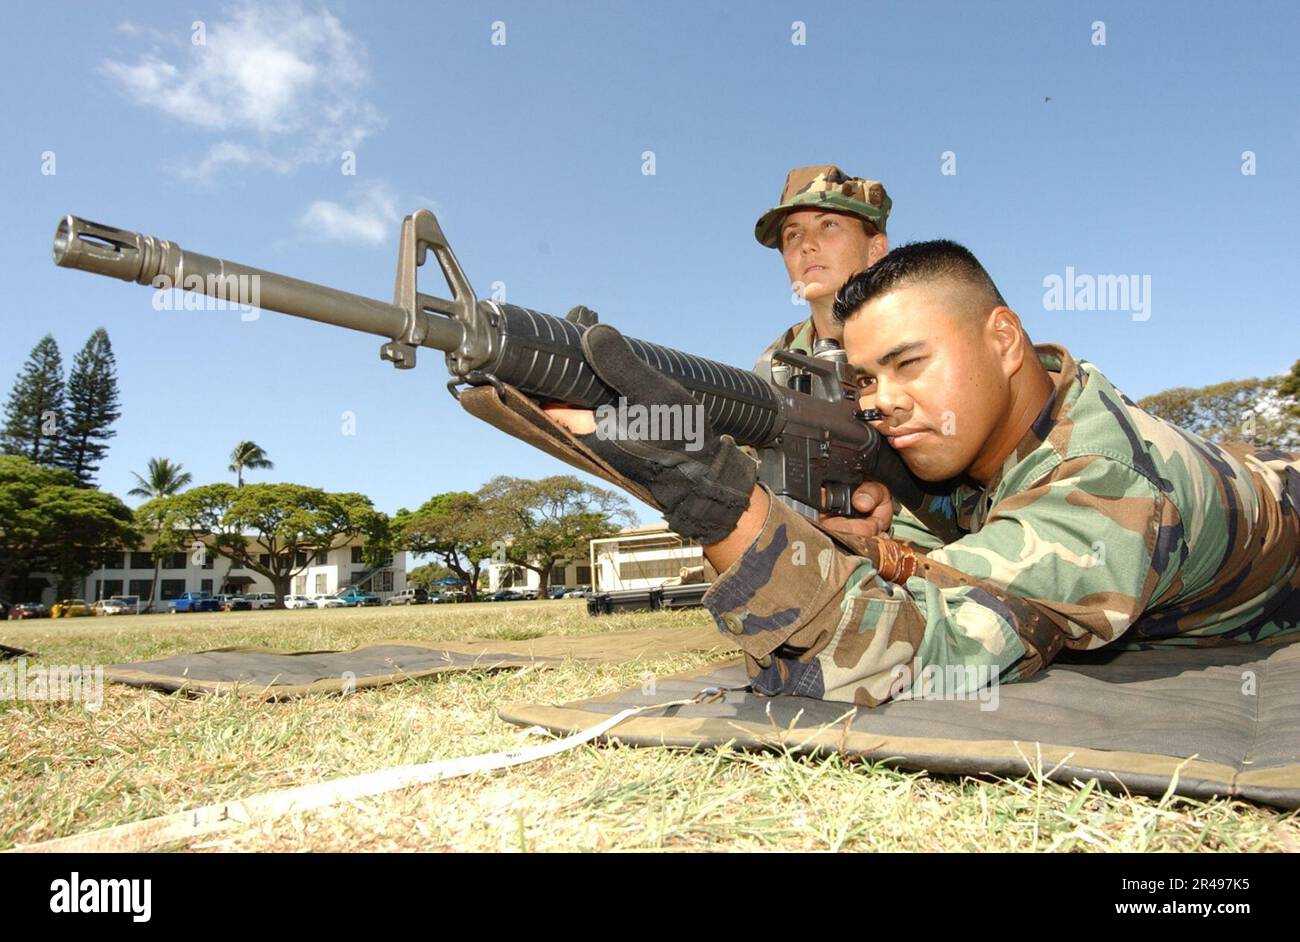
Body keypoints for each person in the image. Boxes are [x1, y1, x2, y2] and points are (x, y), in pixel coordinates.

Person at [541, 240, 1300, 706]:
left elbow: (907, 654)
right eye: (866, 380)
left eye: (910, 363)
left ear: (1005, 339)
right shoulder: (987, 437)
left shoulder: (1099, 480)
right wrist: (881, 543)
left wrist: (725, 511)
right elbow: (969, 547)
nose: (881, 403)